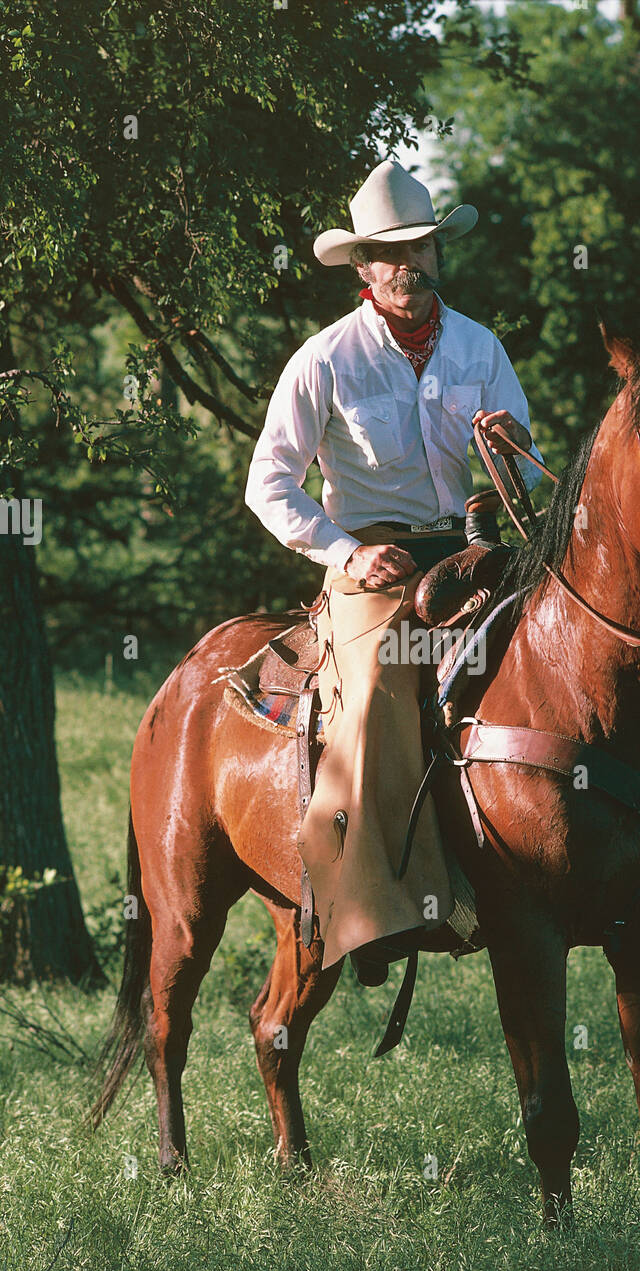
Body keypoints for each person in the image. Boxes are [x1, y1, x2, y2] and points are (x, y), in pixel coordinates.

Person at [245, 160, 543, 972]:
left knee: (555, 653)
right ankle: (373, 907)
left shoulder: (481, 348)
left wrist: (509, 450)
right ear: (364, 268)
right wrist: (345, 549)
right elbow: (267, 483)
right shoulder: (325, 358)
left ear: (440, 252)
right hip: (369, 558)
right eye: (390, 252)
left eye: (421, 247)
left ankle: (541, 865)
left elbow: (528, 461)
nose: (408, 264)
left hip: (465, 548)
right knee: (379, 683)